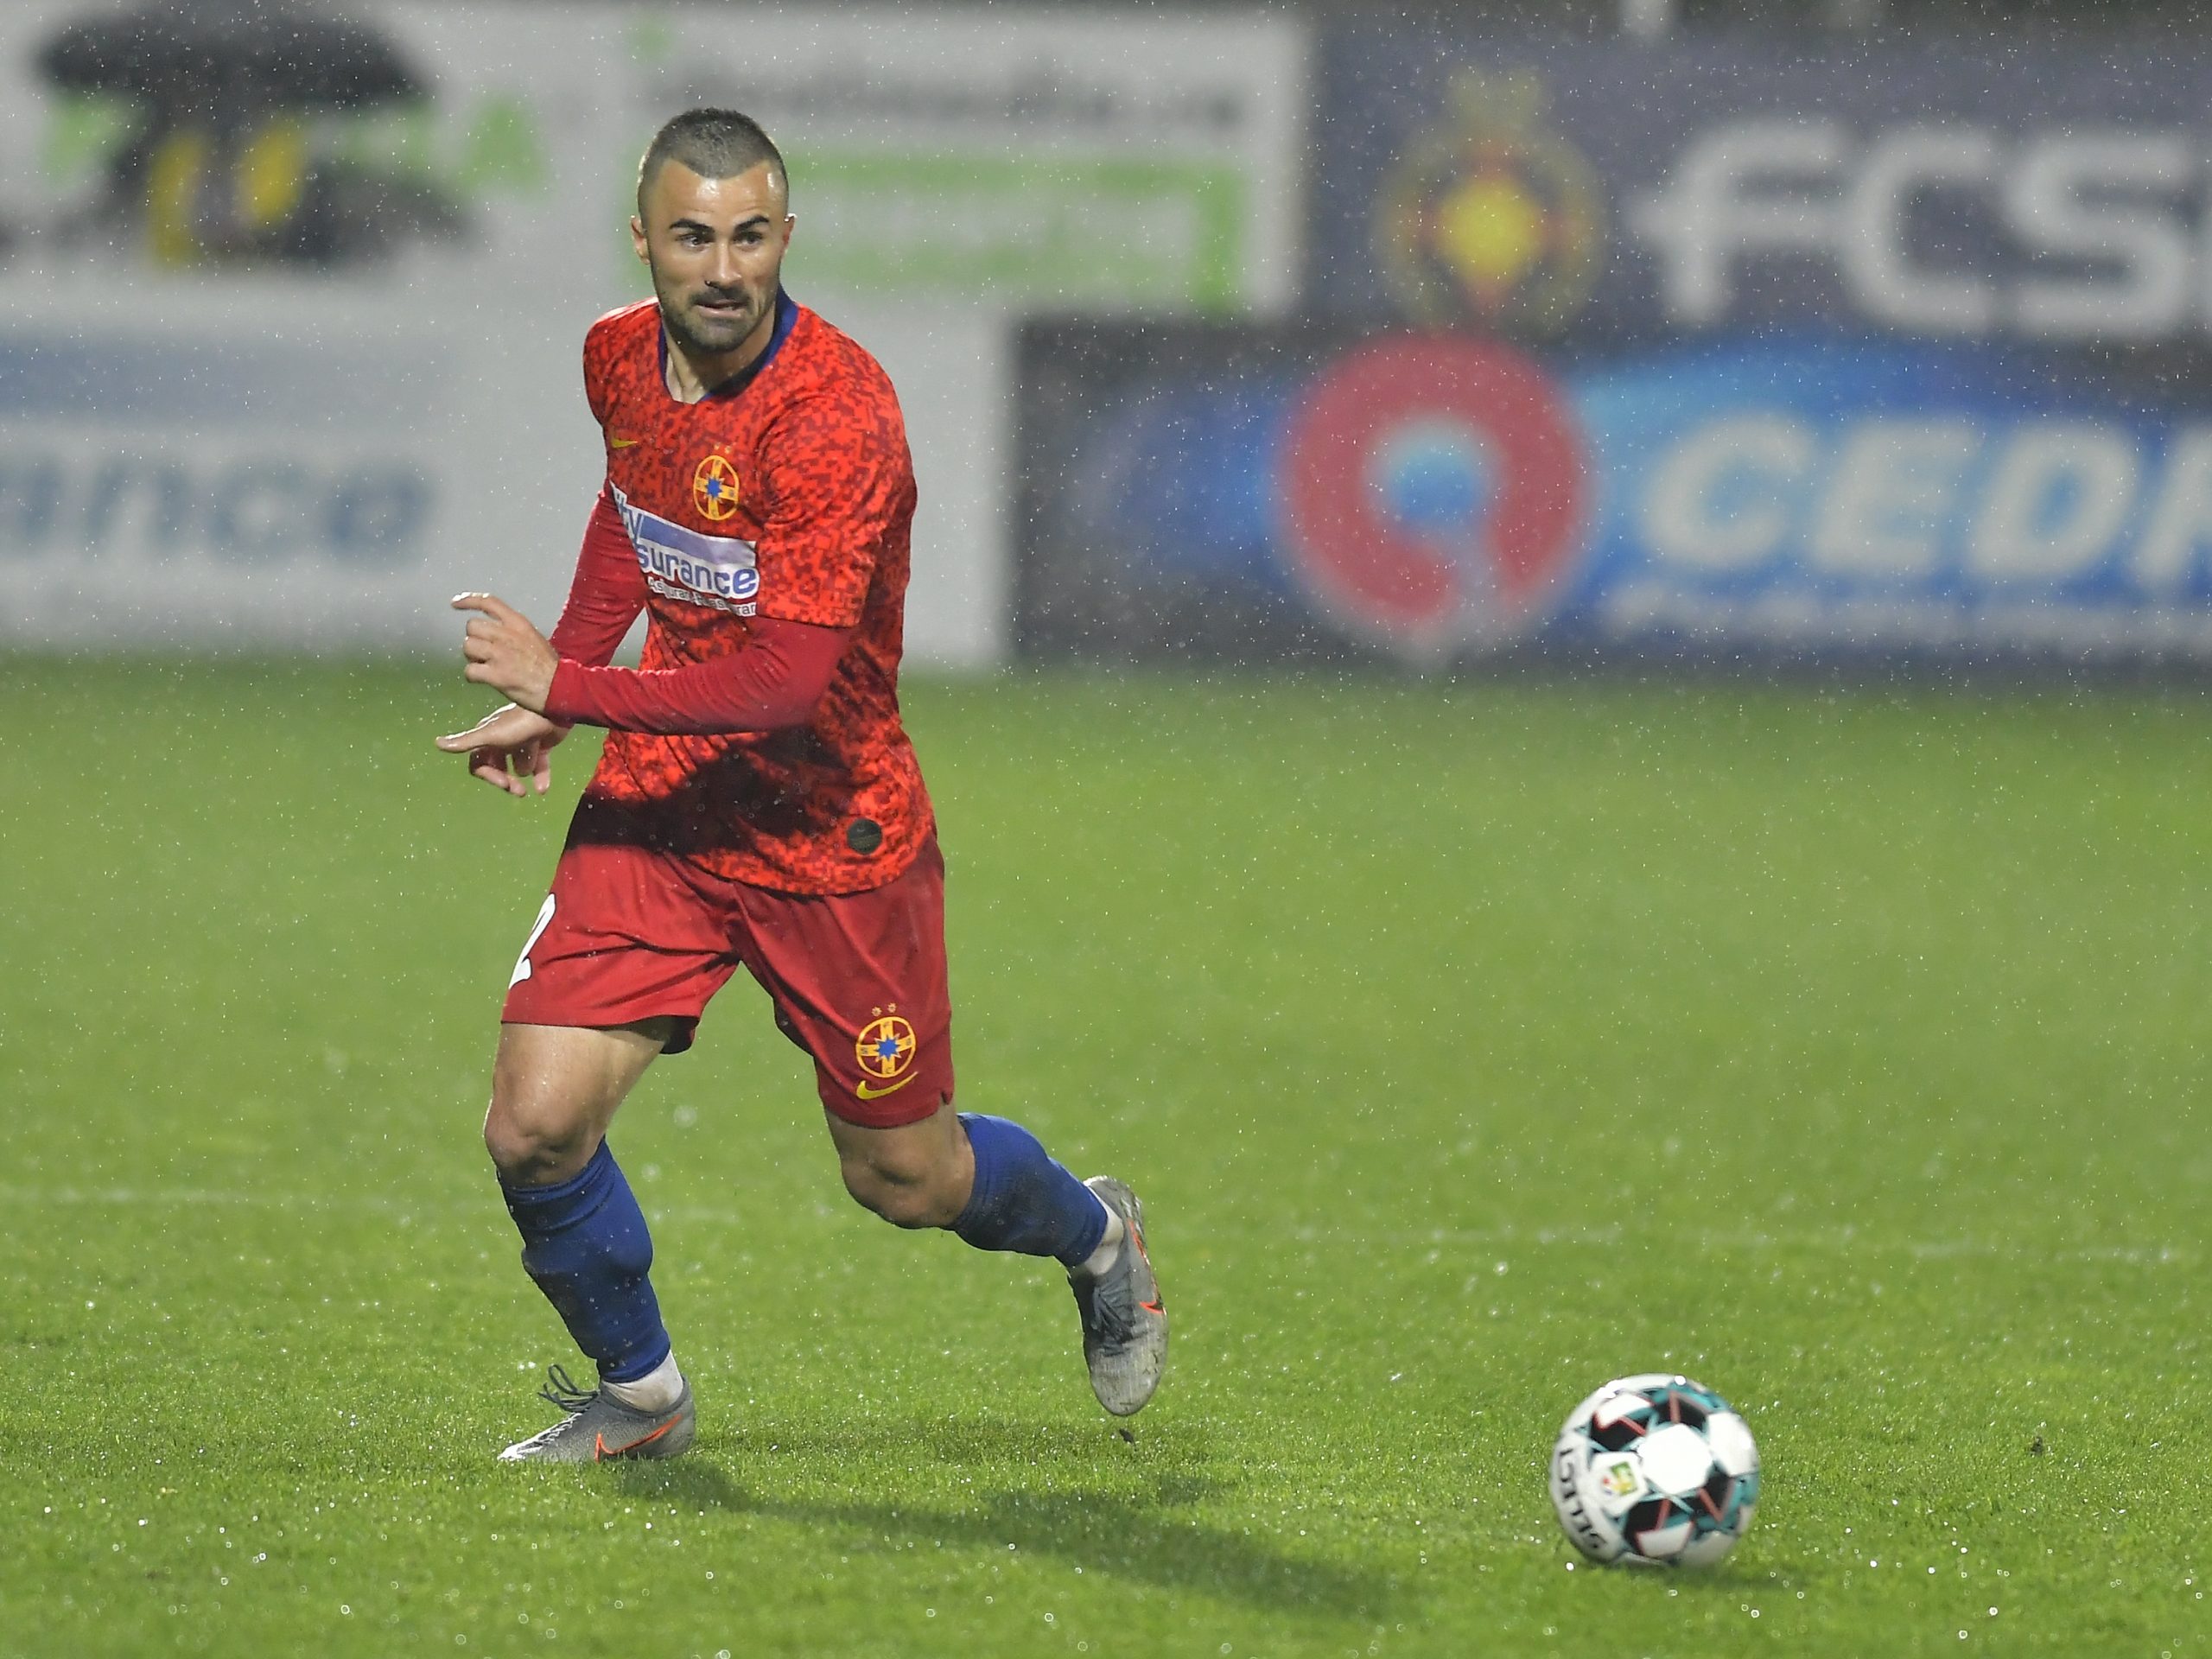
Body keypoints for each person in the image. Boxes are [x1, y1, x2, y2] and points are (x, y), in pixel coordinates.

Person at [433, 108, 1166, 1463]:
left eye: (751, 237)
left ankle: (1096, 1235)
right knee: (533, 1126)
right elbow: (635, 504)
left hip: (830, 832)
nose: (725, 270)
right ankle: (641, 1399)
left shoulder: (835, 417)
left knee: (908, 1177)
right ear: (642, 240)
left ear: (786, 236)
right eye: (694, 238)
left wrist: (570, 686)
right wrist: (564, 676)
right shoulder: (615, 355)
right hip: (664, 811)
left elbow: (782, 683)